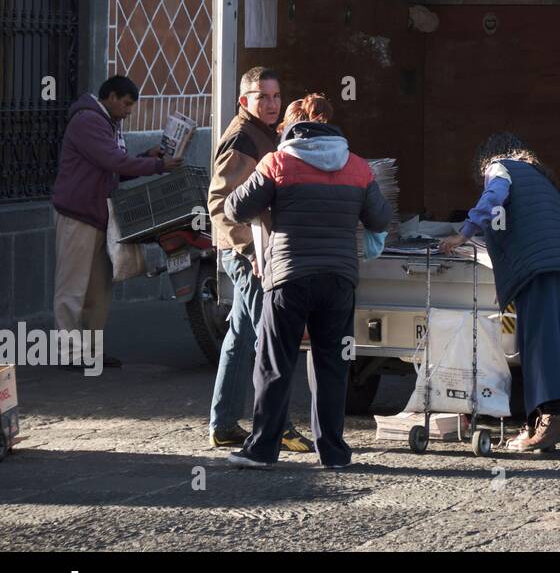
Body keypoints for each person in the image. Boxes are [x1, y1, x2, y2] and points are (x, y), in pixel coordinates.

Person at [223, 98, 392, 469]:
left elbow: (235, 208)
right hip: (339, 280)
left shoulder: (278, 163)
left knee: (275, 363)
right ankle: (333, 453)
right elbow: (381, 218)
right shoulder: (358, 167)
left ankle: (262, 450)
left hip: (289, 279)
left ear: (289, 130)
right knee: (333, 365)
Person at [438, 133, 560, 453]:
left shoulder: (500, 168)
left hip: (539, 267)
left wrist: (463, 234)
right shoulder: (539, 177)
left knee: (537, 343)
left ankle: (552, 419)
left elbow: (494, 196)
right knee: (553, 342)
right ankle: (545, 420)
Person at [206, 67, 312, 452]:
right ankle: (278, 426)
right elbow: (220, 204)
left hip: (257, 249)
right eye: (262, 97)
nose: (271, 104)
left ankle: (222, 424)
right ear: (244, 100)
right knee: (271, 338)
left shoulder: (265, 132)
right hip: (249, 253)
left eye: (275, 96)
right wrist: (249, 253)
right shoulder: (242, 138)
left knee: (241, 334)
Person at [50, 76, 181, 369]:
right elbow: (114, 162)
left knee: (99, 289)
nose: (128, 112)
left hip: (98, 215)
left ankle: (91, 352)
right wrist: (157, 165)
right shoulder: (88, 121)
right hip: (77, 215)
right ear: (110, 97)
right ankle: (69, 354)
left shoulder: (108, 122)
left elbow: (115, 169)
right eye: (125, 104)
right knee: (72, 288)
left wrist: (145, 158)